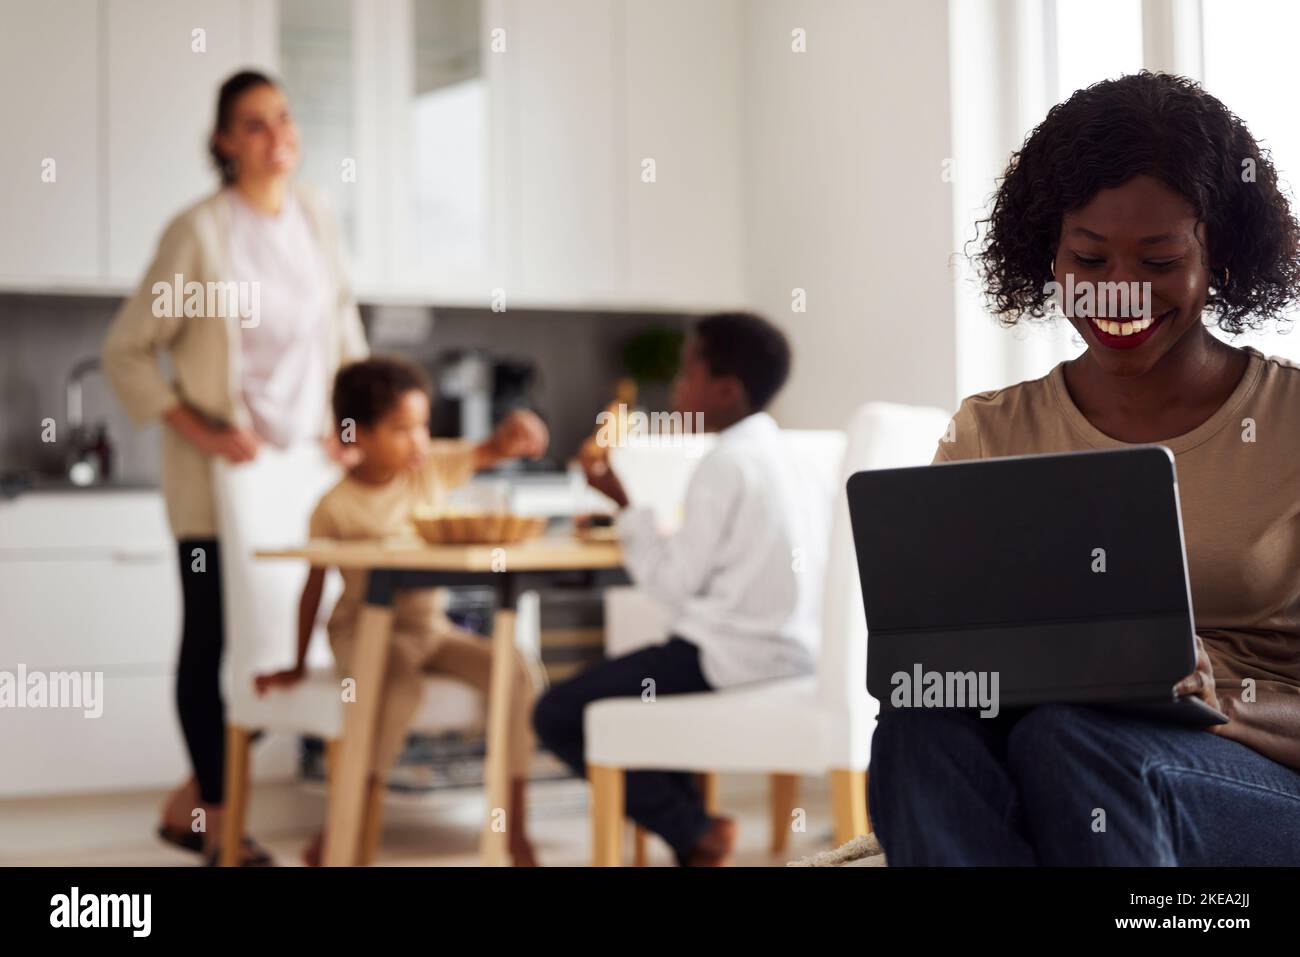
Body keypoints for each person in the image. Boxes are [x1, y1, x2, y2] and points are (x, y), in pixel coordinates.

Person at [869, 72, 1300, 865]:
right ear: (1048, 255)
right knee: (918, 724)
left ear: (1222, 260)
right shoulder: (992, 429)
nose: (1119, 292)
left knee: (1074, 741)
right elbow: (934, 665)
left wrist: (1219, 700)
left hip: (1255, 776)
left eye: (1160, 259)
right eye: (1090, 258)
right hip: (1045, 739)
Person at [102, 70, 368, 865]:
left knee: (284, 643)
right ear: (223, 142)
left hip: (301, 473)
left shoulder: (315, 215)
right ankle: (220, 819)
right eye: (253, 124)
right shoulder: (200, 231)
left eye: (283, 117)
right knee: (216, 636)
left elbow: (343, 328)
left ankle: (191, 799)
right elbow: (127, 350)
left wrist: (350, 422)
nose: (275, 134)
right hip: (217, 480)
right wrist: (202, 428)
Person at [533, 312, 830, 866]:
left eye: (686, 373)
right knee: (645, 683)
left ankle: (695, 831)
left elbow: (671, 587)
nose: (675, 387)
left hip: (728, 657)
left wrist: (624, 504)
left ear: (725, 389)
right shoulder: (793, 456)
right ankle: (692, 835)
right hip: (793, 656)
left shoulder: (724, 462)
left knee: (555, 711)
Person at [256, 356, 549, 866]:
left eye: (422, 426)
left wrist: (519, 429)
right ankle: (345, 829)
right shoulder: (335, 506)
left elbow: (494, 448)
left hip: (429, 628)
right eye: (401, 429)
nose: (418, 441)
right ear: (359, 436)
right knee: (395, 690)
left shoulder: (431, 468)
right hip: (365, 632)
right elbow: (313, 585)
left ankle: (514, 829)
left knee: (517, 670)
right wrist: (297, 664)